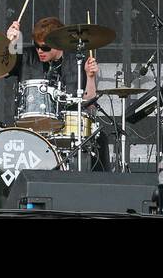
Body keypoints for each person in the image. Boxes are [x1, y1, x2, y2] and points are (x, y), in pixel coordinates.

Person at [6, 15, 107, 168]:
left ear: (58, 44)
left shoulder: (77, 61)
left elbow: (90, 106)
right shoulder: (25, 56)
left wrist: (90, 77)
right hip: (32, 129)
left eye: (45, 47)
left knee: (100, 139)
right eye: (36, 46)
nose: (40, 51)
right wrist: (11, 43)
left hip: (68, 131)